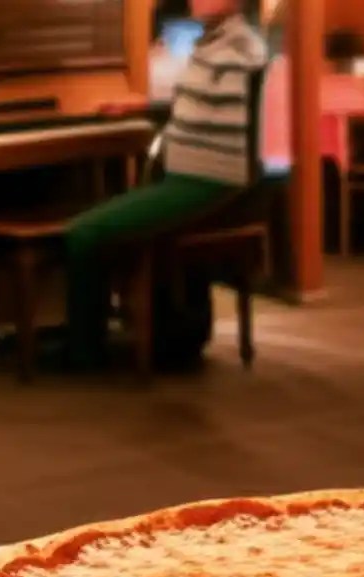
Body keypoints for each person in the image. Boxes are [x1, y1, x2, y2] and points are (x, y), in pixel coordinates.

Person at [67, 0, 267, 371]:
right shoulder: (213, 42)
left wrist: (153, 105)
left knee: (83, 232)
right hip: (193, 174)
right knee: (103, 221)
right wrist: (143, 105)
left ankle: (84, 353)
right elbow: (198, 104)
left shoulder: (239, 47)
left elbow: (223, 96)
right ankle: (122, 332)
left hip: (205, 179)